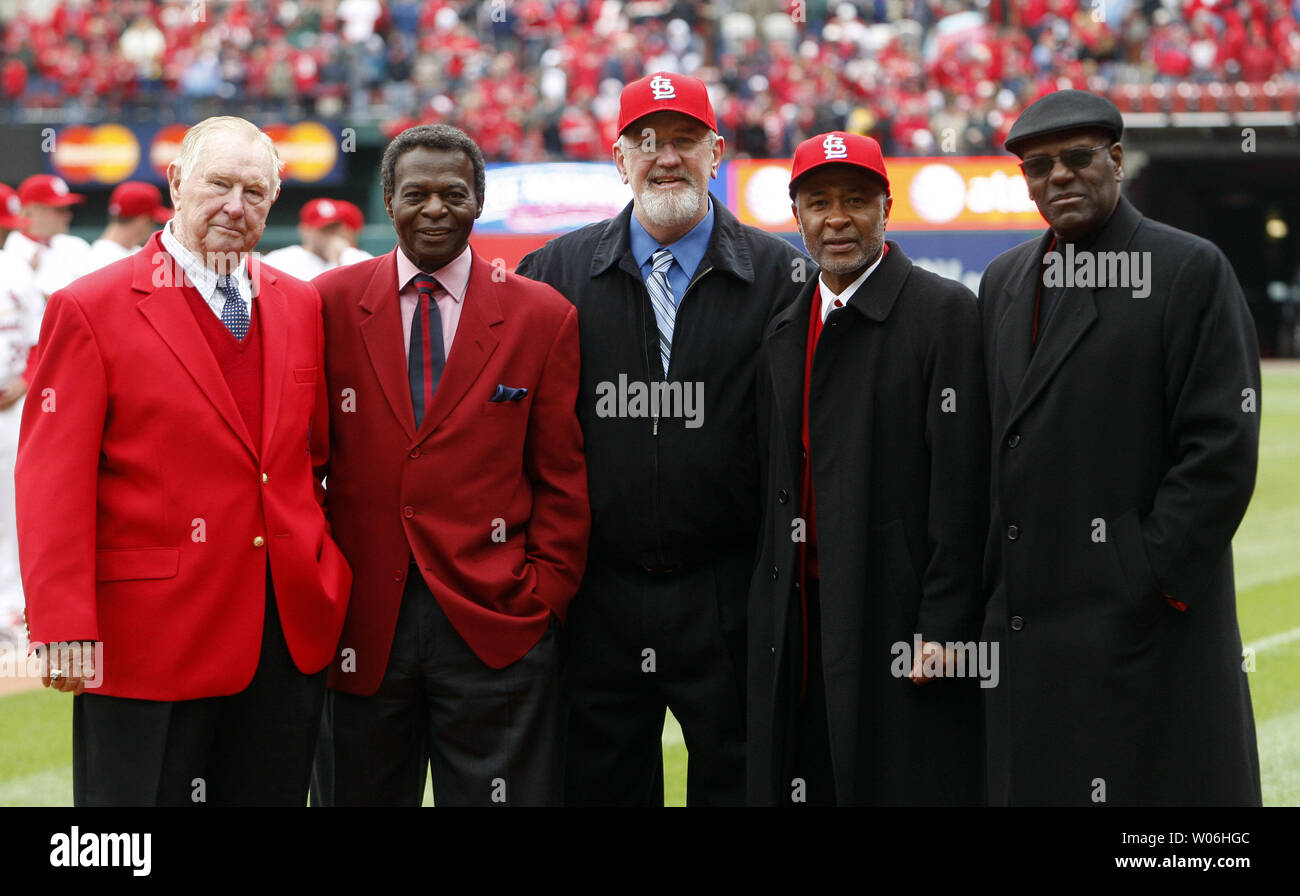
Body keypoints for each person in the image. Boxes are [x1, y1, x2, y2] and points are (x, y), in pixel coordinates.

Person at [16, 116, 351, 806]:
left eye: (255, 192)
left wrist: (326, 572)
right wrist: (63, 623)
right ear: (175, 182)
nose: (237, 205)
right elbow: (53, 482)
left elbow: (310, 459)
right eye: (219, 184)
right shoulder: (89, 307)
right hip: (147, 640)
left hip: (283, 640)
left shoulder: (300, 306)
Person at [516, 72, 807, 806]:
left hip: (731, 589)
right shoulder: (553, 273)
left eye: (683, 140)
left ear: (717, 153)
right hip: (598, 593)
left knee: (742, 784)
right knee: (597, 786)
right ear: (619, 159)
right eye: (647, 142)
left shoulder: (784, 276)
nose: (665, 157)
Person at [980, 89, 1261, 805]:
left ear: (1116, 159)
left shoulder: (1188, 269)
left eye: (1077, 159)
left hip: (1140, 631)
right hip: (1030, 627)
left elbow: (1220, 449)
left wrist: (1140, 573)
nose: (1060, 178)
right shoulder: (1004, 279)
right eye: (1039, 167)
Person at [311, 124, 588, 807]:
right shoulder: (326, 305)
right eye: (416, 194)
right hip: (358, 625)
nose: (434, 208)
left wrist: (541, 596)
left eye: (453, 193)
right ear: (388, 201)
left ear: (478, 202)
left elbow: (562, 477)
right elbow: (302, 461)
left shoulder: (541, 315)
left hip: (496, 624)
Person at [747, 133, 989, 806]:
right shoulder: (787, 323)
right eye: (818, 202)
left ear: (887, 206)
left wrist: (941, 624)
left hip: (897, 617)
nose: (837, 219)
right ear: (797, 217)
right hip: (801, 618)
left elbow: (964, 487)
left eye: (856, 200)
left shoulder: (944, 312)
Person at [0, 184, 42, 643]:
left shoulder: (15, 269)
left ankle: (10, 609)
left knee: (12, 512)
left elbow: (38, 339)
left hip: (11, 407)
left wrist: (27, 382)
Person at [2, 174, 92, 298]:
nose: (68, 215)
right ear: (32, 210)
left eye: (67, 209)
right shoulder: (9, 248)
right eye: (59, 210)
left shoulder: (77, 245)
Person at [262, 198, 372, 280]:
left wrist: (338, 259)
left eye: (334, 228)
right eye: (323, 229)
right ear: (304, 230)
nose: (329, 235)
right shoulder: (280, 261)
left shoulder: (357, 258)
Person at [85, 181, 173, 271]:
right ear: (143, 220)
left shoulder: (94, 255)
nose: (152, 227)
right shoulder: (106, 262)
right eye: (153, 221)